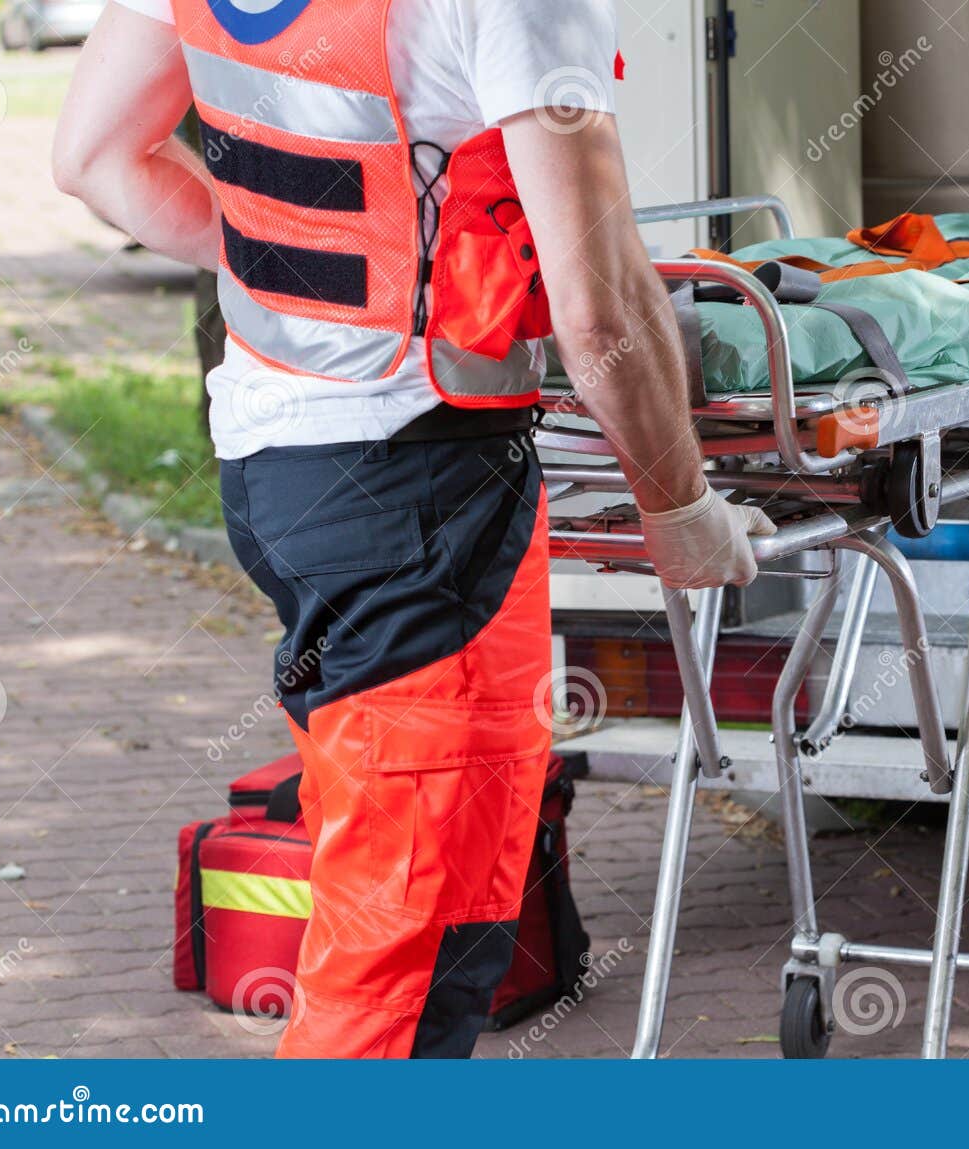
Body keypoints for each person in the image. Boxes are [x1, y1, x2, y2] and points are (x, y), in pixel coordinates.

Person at [52, 0, 774, 1058]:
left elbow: (95, 160)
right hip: (417, 495)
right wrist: (680, 505)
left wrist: (302, 278)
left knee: (411, 905)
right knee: (409, 951)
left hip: (276, 468)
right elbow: (601, 307)